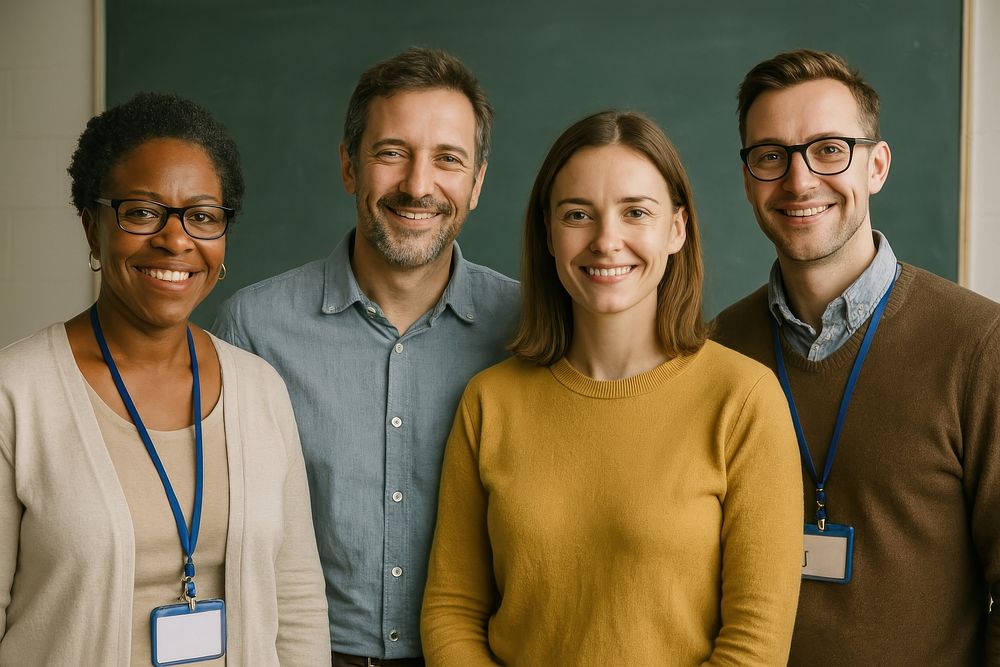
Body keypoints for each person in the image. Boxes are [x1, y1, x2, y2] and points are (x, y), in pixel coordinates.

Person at [420, 110, 803, 665]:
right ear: (548, 235)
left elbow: (755, 641)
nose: (606, 241)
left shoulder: (742, 398)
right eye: (578, 214)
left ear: (677, 228)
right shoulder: (489, 402)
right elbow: (452, 608)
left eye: (635, 213)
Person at [212, 48, 519, 665]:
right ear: (350, 166)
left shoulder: (529, 329)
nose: (417, 185)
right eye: (391, 153)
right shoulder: (254, 328)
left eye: (448, 160)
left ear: (477, 183)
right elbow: (218, 539)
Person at [0, 92, 329, 665]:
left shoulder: (259, 389)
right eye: (142, 211)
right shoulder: (16, 394)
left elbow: (297, 605)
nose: (176, 240)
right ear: (91, 225)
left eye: (202, 216)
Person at [712, 49, 1000, 663]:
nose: (798, 180)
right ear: (747, 179)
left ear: (877, 166)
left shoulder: (980, 344)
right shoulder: (716, 351)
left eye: (829, 149)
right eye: (771, 156)